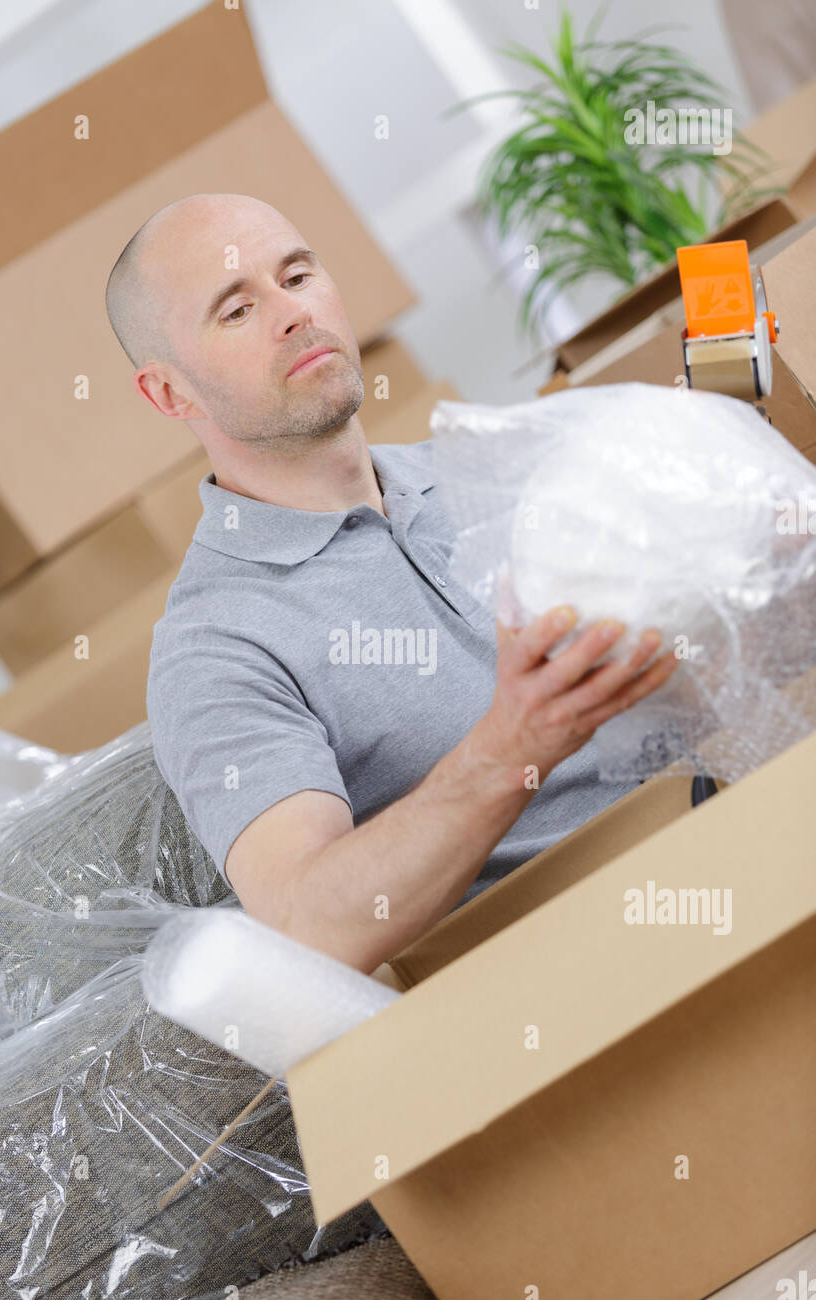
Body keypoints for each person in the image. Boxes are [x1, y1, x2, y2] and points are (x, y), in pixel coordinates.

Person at [105, 192, 676, 975]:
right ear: (170, 393)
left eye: (297, 275)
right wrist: (512, 746)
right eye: (237, 311)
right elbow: (310, 923)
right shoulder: (215, 649)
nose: (293, 315)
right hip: (603, 964)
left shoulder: (487, 469)